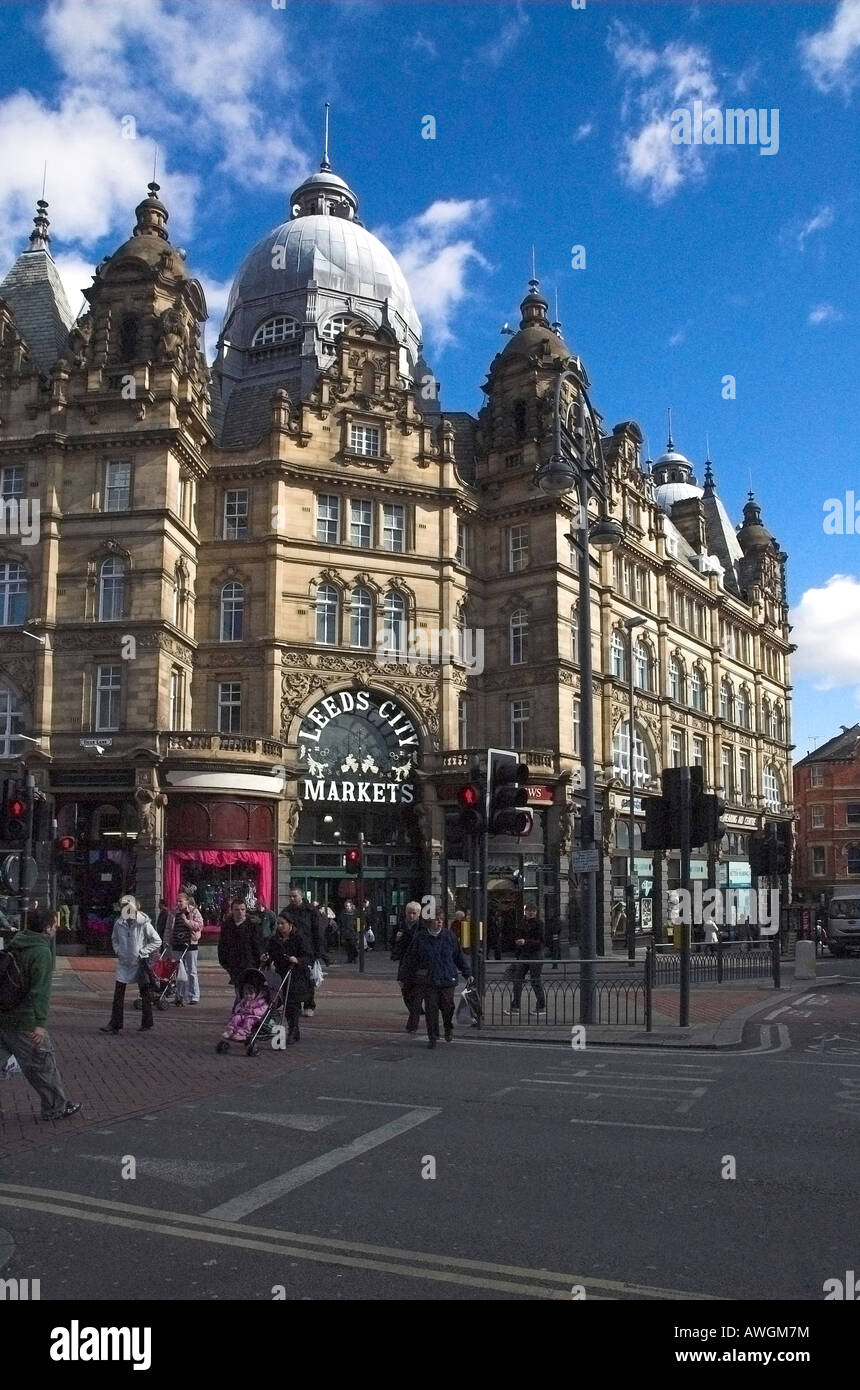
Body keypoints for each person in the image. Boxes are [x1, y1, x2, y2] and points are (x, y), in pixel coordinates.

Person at [0, 907, 81, 1121]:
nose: (56, 927)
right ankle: (56, 1106)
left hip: (4, 1015)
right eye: (54, 924)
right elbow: (40, 991)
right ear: (47, 928)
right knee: (42, 1062)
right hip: (24, 1018)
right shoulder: (41, 952)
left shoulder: (16, 943)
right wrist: (40, 1023)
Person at [401, 910, 471, 1049]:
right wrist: (403, 976)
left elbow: (458, 957)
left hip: (447, 978)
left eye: (441, 919)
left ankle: (447, 1027)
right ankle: (432, 1036)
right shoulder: (421, 938)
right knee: (431, 1009)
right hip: (429, 979)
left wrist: (467, 973)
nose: (439, 922)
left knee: (447, 1007)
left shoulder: (449, 936)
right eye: (436, 919)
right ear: (429, 922)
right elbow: (410, 958)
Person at [101, 895, 161, 1033]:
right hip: (124, 962)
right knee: (118, 993)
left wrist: (143, 951)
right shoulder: (119, 923)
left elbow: (157, 940)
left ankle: (147, 1022)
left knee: (145, 992)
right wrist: (118, 951)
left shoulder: (143, 923)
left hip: (139, 962)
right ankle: (115, 1024)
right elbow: (114, 939)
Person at [262, 911, 313, 1044]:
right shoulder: (274, 940)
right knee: (282, 1001)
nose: (280, 926)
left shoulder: (299, 938)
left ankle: (293, 1029)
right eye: (278, 924)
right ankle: (290, 1029)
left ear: (290, 925)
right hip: (281, 973)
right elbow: (271, 954)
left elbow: (308, 956)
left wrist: (297, 959)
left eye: (282, 923)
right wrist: (267, 958)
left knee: (292, 1003)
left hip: (297, 974)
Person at [217, 898, 265, 999]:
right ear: (232, 910)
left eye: (242, 909)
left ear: (246, 910)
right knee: (238, 989)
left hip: (250, 962)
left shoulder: (253, 925)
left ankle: (250, 1010)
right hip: (234, 963)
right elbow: (222, 945)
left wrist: (260, 959)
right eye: (237, 909)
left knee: (251, 989)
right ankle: (241, 1008)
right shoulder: (227, 926)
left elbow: (258, 944)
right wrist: (224, 962)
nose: (240, 912)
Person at [506, 904, 546, 1015]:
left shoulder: (539, 924)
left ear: (536, 912)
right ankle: (515, 1007)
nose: (531, 913)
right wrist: (517, 944)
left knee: (535, 980)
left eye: (533, 910)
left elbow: (541, 942)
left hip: (535, 954)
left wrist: (525, 942)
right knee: (517, 979)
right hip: (524, 954)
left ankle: (541, 1006)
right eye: (529, 911)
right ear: (525, 912)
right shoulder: (522, 923)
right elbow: (516, 936)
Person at [166, 890, 204, 1004]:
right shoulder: (173, 912)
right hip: (177, 944)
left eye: (180, 901)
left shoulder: (194, 911)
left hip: (190, 944)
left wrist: (186, 921)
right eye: (177, 901)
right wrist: (166, 942)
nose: (178, 903)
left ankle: (194, 996)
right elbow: (168, 929)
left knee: (191, 971)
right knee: (178, 972)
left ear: (187, 902)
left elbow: (199, 926)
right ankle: (179, 995)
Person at [392, 900, 423, 1030]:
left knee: (416, 994)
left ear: (419, 914)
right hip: (404, 963)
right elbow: (394, 942)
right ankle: (416, 1011)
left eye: (414, 913)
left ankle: (413, 1022)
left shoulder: (422, 928)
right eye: (409, 913)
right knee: (405, 992)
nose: (411, 916)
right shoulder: (401, 926)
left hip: (418, 965)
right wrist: (396, 942)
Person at [338, 899, 358, 963]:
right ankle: (350, 958)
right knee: (347, 946)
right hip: (345, 932)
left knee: (353, 945)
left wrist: (358, 930)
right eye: (346, 906)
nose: (347, 907)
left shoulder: (355, 913)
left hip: (353, 932)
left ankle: (354, 957)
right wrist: (340, 929)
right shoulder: (343, 913)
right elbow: (340, 921)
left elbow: (359, 921)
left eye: (348, 906)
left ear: (351, 906)